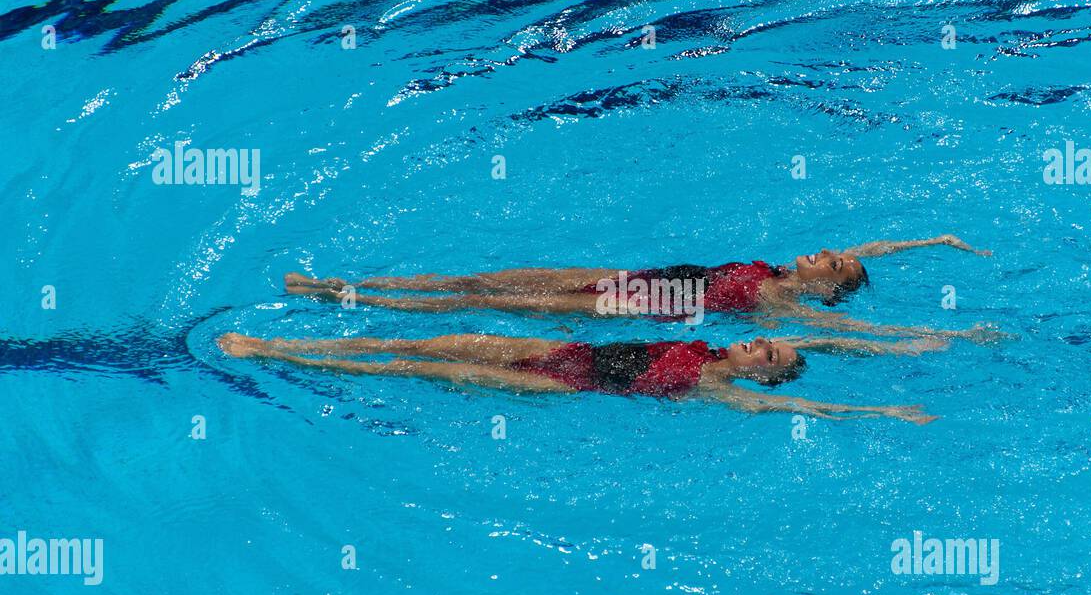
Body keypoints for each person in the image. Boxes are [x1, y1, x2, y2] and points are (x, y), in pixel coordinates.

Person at [283, 234, 997, 339]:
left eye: (833, 262)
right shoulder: (789, 272)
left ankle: (344, 299)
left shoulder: (782, 302)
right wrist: (935, 239)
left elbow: (845, 331)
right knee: (487, 278)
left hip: (651, 301)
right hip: (655, 276)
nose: (831, 251)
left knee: (489, 301)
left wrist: (938, 335)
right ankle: (344, 283)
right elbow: (873, 247)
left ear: (825, 286)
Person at [217, 331, 946, 423]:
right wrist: (900, 346)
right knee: (422, 339)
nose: (758, 344)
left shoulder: (720, 388)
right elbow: (813, 340)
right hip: (566, 350)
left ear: (760, 378)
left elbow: (809, 408)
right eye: (766, 342)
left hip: (567, 384)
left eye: (768, 357)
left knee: (421, 366)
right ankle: (296, 335)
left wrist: (885, 413)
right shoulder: (717, 349)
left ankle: (274, 352)